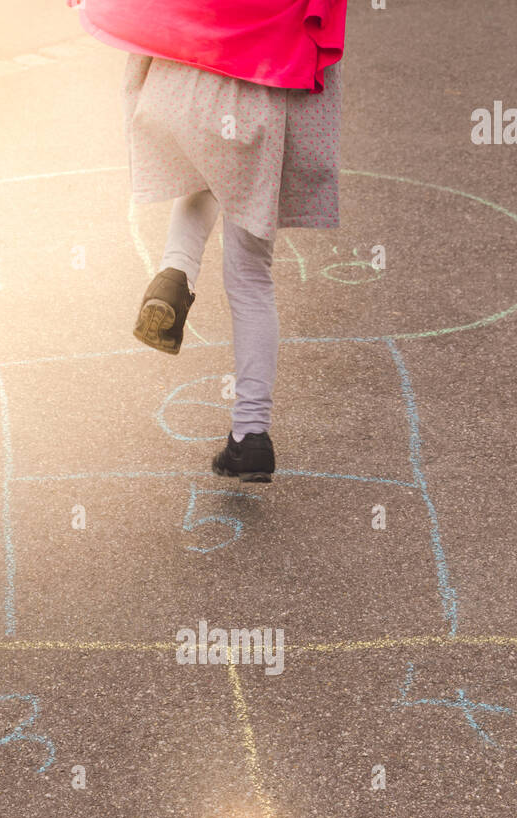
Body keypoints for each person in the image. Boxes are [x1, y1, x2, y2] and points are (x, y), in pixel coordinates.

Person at [69, 1, 345, 483]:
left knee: (202, 168)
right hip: (267, 92)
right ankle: (251, 435)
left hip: (189, 79)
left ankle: (176, 270)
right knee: (250, 276)